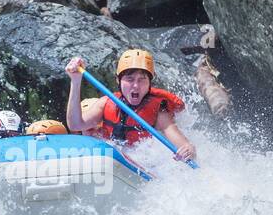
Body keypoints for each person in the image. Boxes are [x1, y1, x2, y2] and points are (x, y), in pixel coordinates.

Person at [64, 49, 196, 162]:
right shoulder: (106, 103)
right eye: (130, 79)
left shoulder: (159, 113)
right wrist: (75, 81)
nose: (136, 86)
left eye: (142, 79)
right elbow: (76, 125)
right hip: (113, 159)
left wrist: (188, 151)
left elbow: (184, 145)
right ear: (118, 80)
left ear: (150, 82)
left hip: (144, 164)